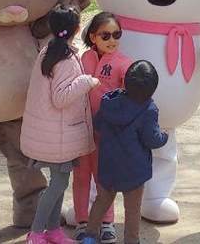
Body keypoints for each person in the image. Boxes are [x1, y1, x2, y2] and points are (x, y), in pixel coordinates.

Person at [20, 6, 100, 244]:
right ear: (77, 29)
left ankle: (53, 231)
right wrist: (86, 81)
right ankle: (36, 233)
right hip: (59, 135)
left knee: (59, 183)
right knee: (57, 185)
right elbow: (61, 97)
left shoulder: (49, 52)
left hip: (51, 132)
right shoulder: (65, 59)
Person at [79, 61, 170, 244]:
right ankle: (131, 240)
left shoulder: (109, 102)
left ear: (125, 82)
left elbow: (97, 126)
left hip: (109, 165)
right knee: (132, 209)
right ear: (152, 89)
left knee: (102, 201)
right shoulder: (148, 110)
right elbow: (151, 140)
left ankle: (89, 237)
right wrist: (164, 136)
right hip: (134, 170)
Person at [73, 12, 133, 242]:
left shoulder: (124, 63)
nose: (112, 40)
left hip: (108, 134)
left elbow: (133, 96)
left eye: (117, 34)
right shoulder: (82, 59)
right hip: (80, 130)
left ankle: (107, 222)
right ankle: (82, 221)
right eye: (105, 35)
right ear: (93, 36)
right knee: (80, 177)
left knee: (104, 178)